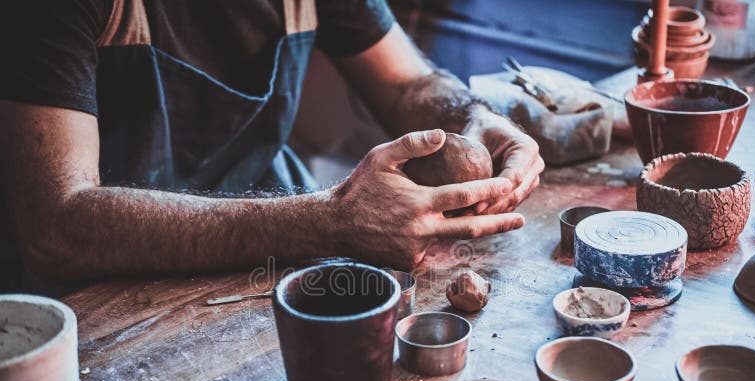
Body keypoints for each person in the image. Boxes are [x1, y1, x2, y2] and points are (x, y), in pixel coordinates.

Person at [0, 0, 544, 293]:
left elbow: (408, 85)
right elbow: (57, 226)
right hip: (100, 286)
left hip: (276, 238)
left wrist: (478, 118)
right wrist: (329, 221)